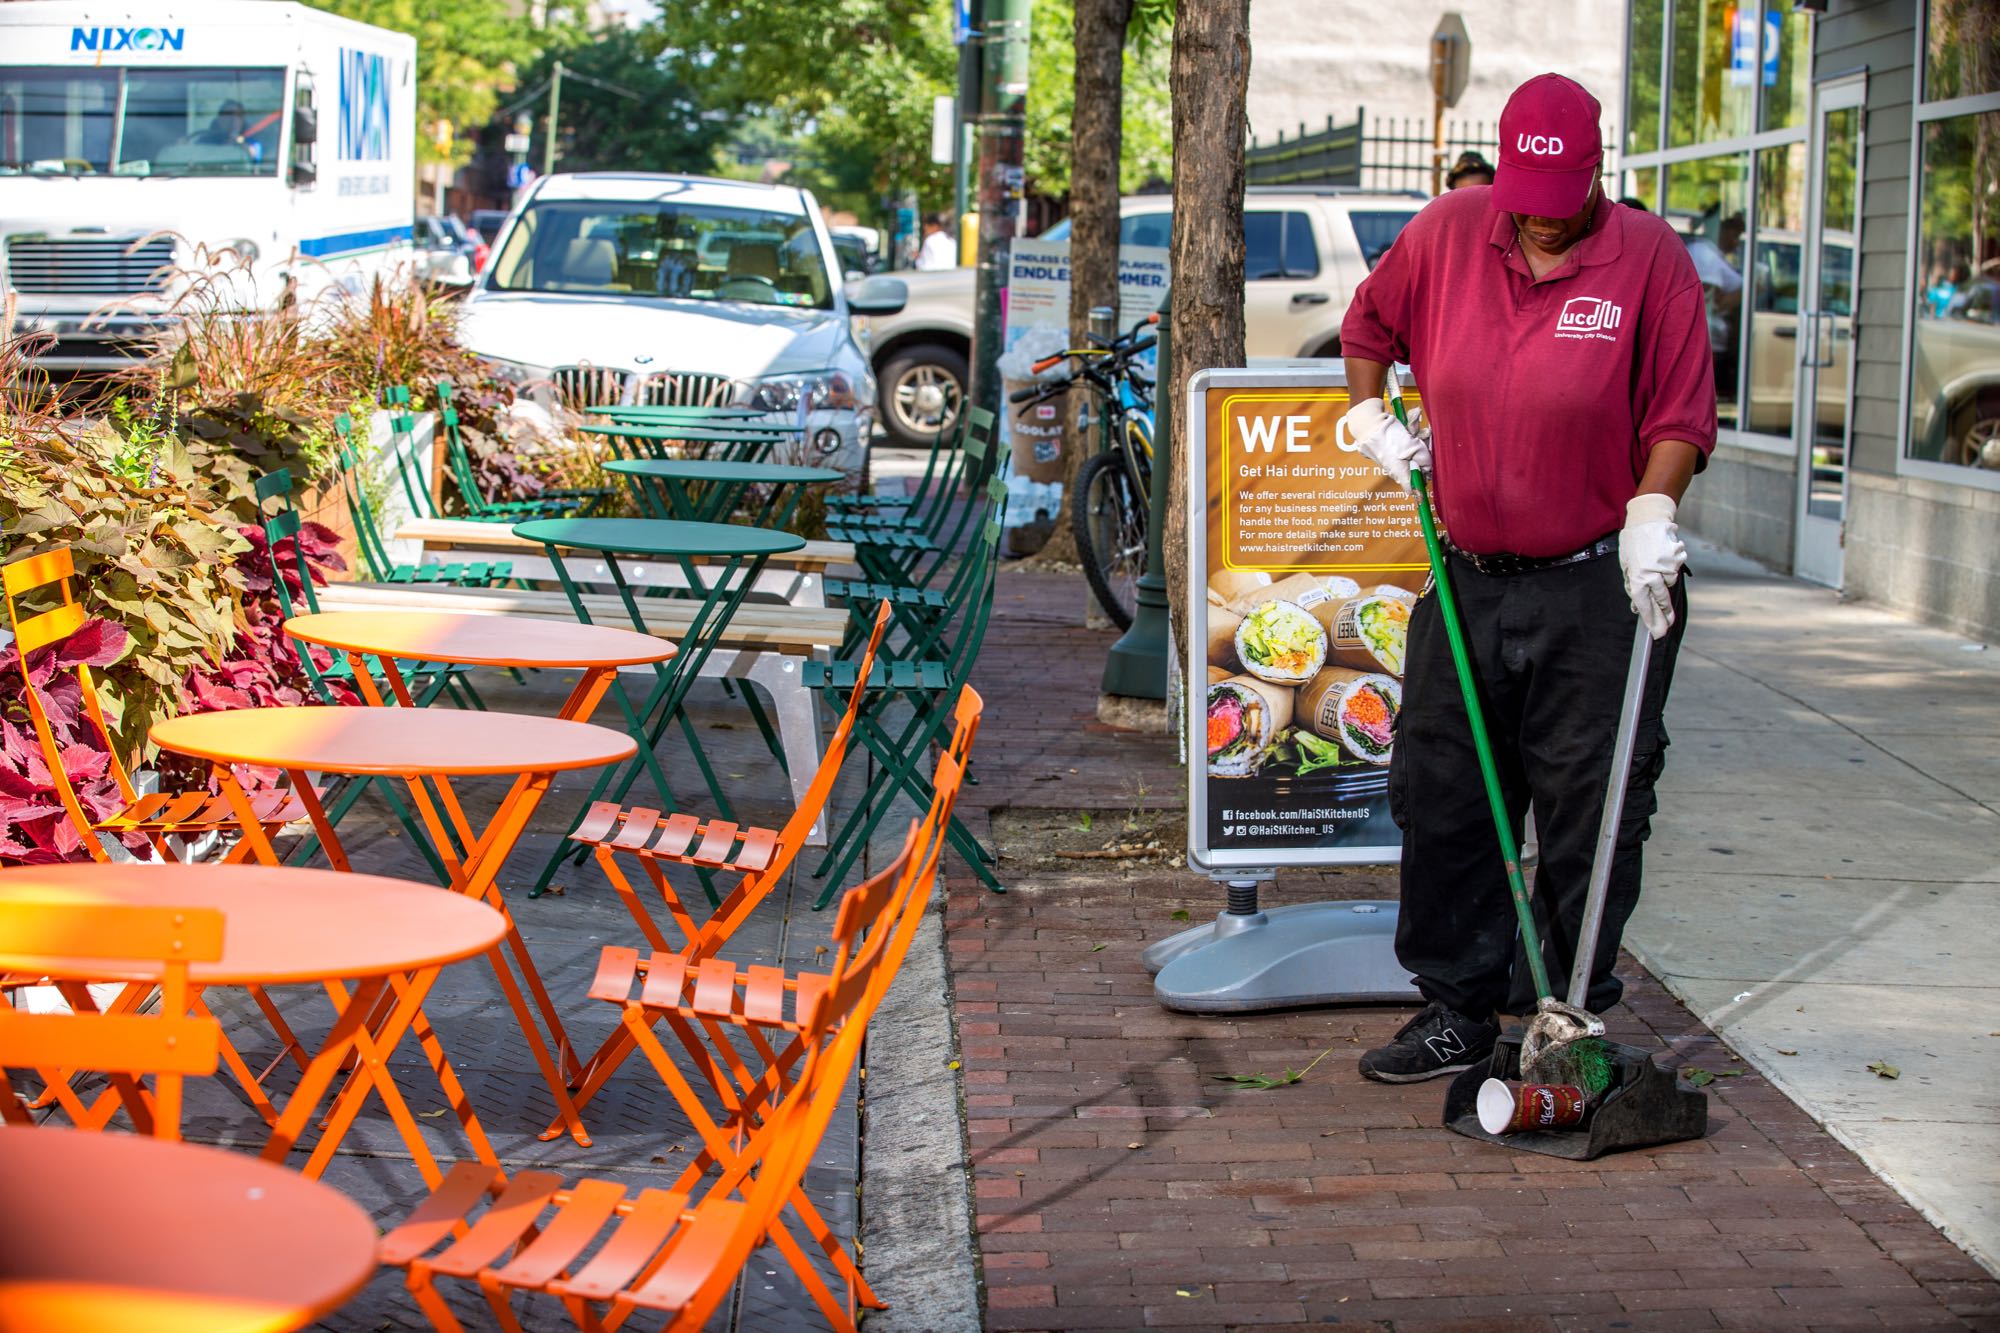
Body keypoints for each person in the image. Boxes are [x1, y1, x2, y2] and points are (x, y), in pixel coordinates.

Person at [1335, 72, 1716, 1083]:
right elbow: (1366, 328)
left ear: (1596, 178)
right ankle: (1455, 1006)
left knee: (1593, 802)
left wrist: (1650, 514)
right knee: (1447, 792)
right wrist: (1370, 415)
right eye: (1525, 207)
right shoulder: (1448, 231)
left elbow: (1678, 415)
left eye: (1561, 211)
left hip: (1599, 582)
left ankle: (1561, 1006)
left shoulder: (1648, 260)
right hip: (1464, 576)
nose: (1541, 229)